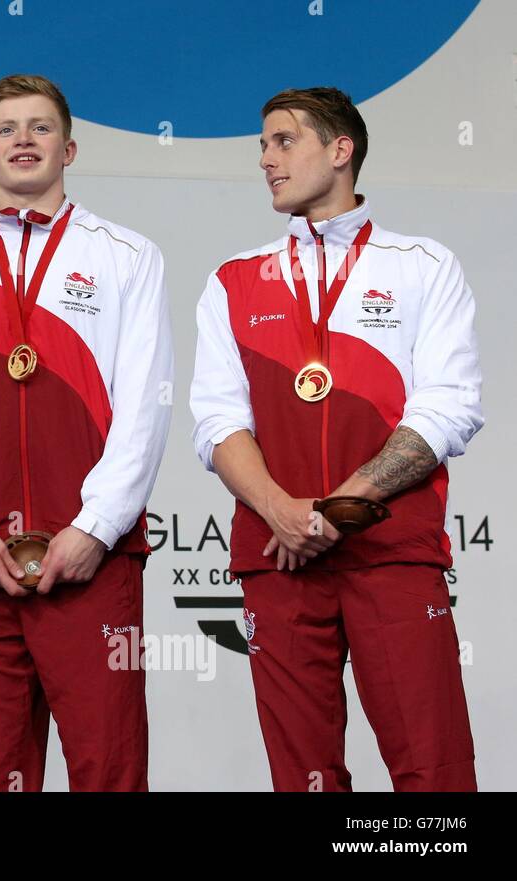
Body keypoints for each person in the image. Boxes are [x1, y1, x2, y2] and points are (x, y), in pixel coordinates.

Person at [190, 87, 482, 791]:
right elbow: (216, 421)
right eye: (262, 144)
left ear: (340, 150)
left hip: (391, 551)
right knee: (303, 777)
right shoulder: (233, 281)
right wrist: (284, 512)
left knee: (432, 770)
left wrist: (334, 508)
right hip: (278, 557)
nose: (266, 159)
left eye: (283, 141)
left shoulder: (423, 265)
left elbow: (450, 407)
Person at [0, 75, 173, 791]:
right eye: (6, 129)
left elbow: (143, 407)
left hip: (94, 559)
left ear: (70, 147)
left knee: (109, 770)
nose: (23, 139)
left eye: (40, 127)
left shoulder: (128, 256)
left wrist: (97, 527)